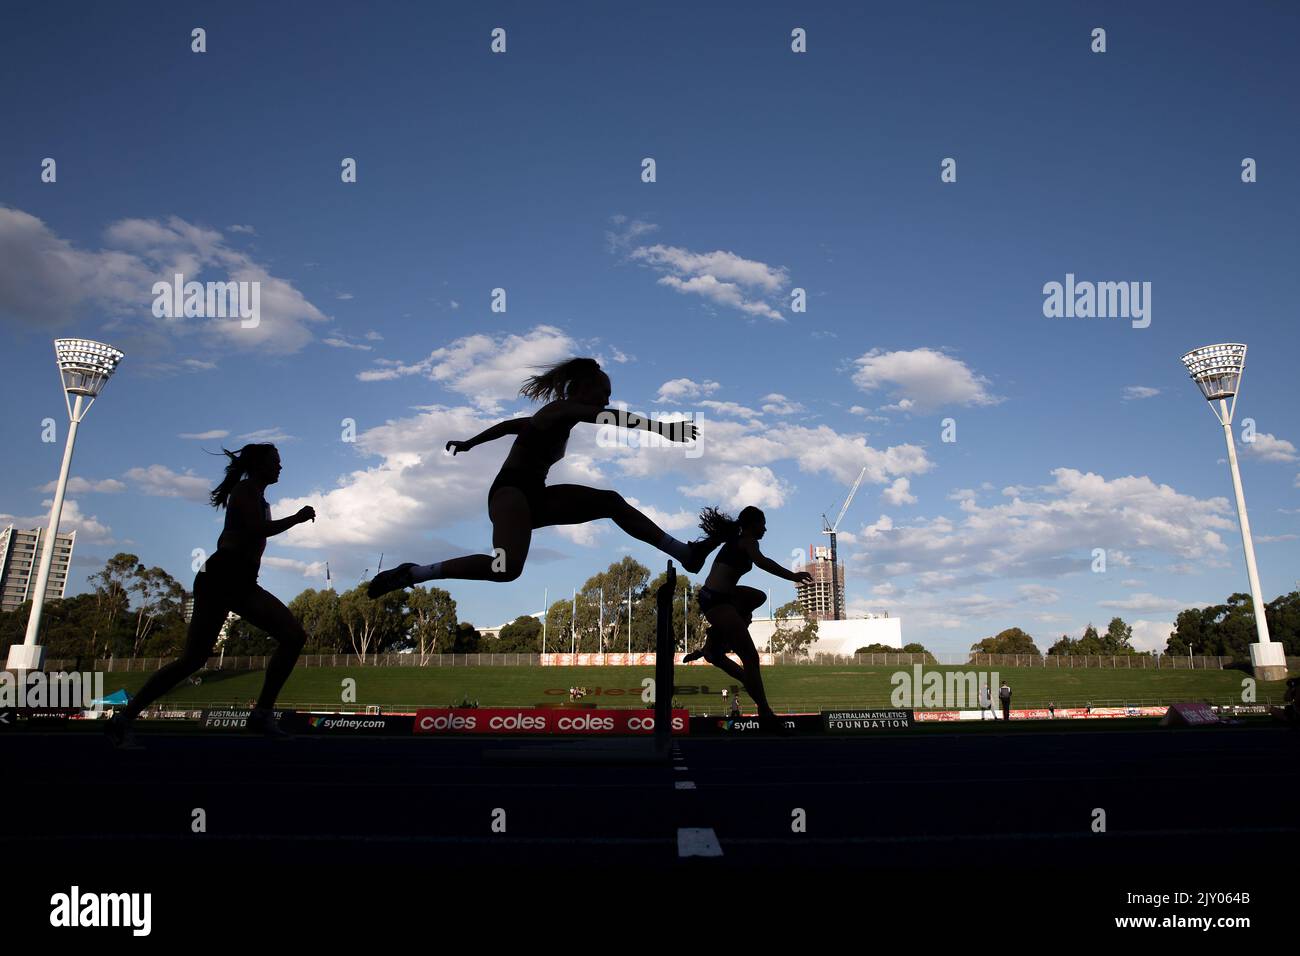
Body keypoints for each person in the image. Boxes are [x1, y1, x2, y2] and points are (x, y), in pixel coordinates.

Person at [367, 357, 721, 598]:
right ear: (582, 389)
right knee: (505, 568)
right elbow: (608, 419)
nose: (606, 399)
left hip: (535, 494)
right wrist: (661, 428)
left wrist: (471, 442)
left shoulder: (552, 417)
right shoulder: (561, 408)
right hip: (510, 493)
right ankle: (414, 573)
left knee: (610, 502)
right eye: (603, 392)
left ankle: (685, 553)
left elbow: (510, 426)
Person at [105, 444, 314, 748]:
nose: (280, 467)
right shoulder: (244, 491)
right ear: (259, 465)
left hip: (235, 580)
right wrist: (295, 519)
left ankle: (261, 713)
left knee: (285, 638)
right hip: (223, 578)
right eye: (275, 462)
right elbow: (256, 530)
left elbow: (246, 532)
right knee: (201, 658)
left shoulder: (257, 496)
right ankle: (126, 719)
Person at [681, 506, 812, 731]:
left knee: (758, 597)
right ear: (752, 525)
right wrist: (792, 576)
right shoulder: (748, 542)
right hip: (717, 601)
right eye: (762, 523)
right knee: (751, 659)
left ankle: (713, 644)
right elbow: (763, 562)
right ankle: (765, 711)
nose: (766, 528)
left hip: (716, 596)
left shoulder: (735, 539)